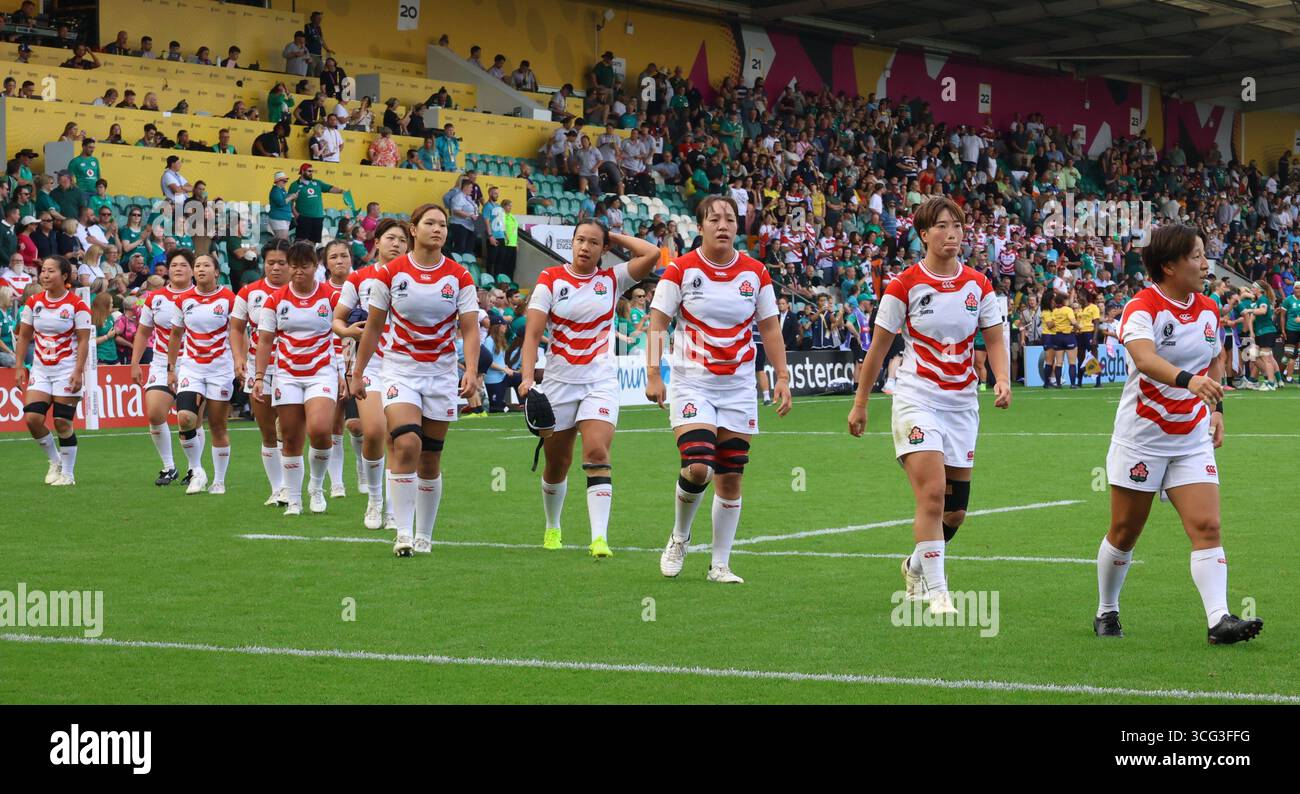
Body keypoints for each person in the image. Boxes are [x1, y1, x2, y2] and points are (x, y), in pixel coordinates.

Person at [1095, 223, 1261, 645]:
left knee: (1208, 525)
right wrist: (1189, 381)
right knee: (1125, 531)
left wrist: (1217, 408)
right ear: (1169, 265)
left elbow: (1215, 359)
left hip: (1191, 437)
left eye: (1205, 254)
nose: (1206, 264)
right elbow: (1145, 358)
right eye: (1197, 256)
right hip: (1142, 439)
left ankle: (1219, 619)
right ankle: (1107, 609)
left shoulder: (1208, 307)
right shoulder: (1142, 307)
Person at [846, 197, 1011, 615]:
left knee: (954, 514)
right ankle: (939, 594)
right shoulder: (903, 285)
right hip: (917, 398)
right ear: (924, 234)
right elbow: (879, 347)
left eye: (957, 224)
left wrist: (1002, 379)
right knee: (932, 495)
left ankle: (914, 564)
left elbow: (993, 336)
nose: (952, 232)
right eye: (941, 226)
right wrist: (861, 403)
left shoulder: (979, 284)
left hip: (962, 404)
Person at [645, 195, 794, 583]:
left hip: (739, 385)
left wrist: (781, 375)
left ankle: (720, 564)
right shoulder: (680, 270)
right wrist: (653, 373)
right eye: (715, 219)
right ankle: (679, 536)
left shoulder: (756, 273)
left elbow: (770, 327)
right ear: (700, 226)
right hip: (693, 381)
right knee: (698, 467)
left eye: (730, 218)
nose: (723, 225)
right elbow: (658, 322)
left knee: (730, 475)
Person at [519, 224, 661, 555]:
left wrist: (614, 236)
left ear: (603, 248)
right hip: (558, 383)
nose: (585, 247)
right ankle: (553, 527)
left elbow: (651, 254)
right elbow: (532, 334)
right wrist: (528, 378)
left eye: (594, 243)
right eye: (581, 240)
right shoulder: (550, 280)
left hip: (599, 382)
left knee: (597, 452)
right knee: (557, 463)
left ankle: (599, 539)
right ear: (573, 244)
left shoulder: (612, 280)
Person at [350, 204, 480, 557]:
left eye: (443, 224)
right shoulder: (391, 274)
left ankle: (425, 534)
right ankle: (403, 533)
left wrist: (470, 371)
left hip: (440, 375)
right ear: (413, 228)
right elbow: (374, 327)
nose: (438, 229)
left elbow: (469, 328)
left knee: (430, 459)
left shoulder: (460, 277)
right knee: (407, 443)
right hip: (400, 372)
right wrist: (357, 372)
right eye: (430, 223)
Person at [252, 241, 343, 516]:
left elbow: (340, 335)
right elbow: (265, 340)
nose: (298, 271)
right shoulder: (275, 299)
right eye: (294, 266)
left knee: (319, 430)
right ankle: (293, 499)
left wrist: (344, 372)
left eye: (305, 266)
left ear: (316, 267)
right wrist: (259, 377)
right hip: (287, 375)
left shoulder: (331, 296)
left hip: (321, 372)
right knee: (290, 436)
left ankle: (316, 486)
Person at [333, 218, 411, 530]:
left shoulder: (414, 277)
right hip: (371, 366)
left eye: (402, 240)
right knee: (375, 431)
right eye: (390, 238)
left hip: (406, 366)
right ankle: (375, 500)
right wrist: (348, 330)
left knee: (398, 440)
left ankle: (391, 508)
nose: (397, 244)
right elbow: (337, 320)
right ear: (376, 242)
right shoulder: (359, 278)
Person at [13, 256, 92, 486]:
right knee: (32, 419)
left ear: (64, 276)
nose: (45, 275)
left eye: (51, 271)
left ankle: (68, 474)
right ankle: (55, 460)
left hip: (67, 370)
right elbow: (24, 336)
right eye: (43, 271)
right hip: (40, 369)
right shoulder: (33, 302)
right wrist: (19, 366)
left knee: (62, 422)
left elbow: (84, 341)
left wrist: (79, 372)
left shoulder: (77, 306)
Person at [166, 254, 236, 495]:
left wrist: (240, 362)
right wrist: (171, 368)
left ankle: (219, 480)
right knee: (184, 418)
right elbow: (175, 335)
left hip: (220, 369)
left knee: (217, 425)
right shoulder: (184, 299)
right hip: (191, 367)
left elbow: (238, 332)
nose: (201, 269)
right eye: (198, 266)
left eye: (207, 265)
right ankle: (197, 470)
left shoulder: (229, 298)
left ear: (217, 272)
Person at [230, 240, 292, 506]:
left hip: (294, 368)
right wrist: (239, 358)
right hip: (260, 368)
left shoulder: (303, 292)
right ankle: (277, 489)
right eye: (271, 263)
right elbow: (236, 328)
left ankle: (294, 488)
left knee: (289, 430)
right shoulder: (249, 292)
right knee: (267, 430)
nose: (276, 268)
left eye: (282, 263)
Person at [131, 248, 197, 486]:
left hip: (194, 361)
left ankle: (194, 469)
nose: (178, 269)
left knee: (189, 419)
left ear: (192, 270)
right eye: (174, 265)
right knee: (155, 413)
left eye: (183, 265)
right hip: (160, 360)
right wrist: (135, 362)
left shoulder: (200, 296)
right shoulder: (155, 297)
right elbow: (143, 331)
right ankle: (169, 466)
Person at [319, 239, 353, 499]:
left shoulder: (365, 286)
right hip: (329, 363)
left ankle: (365, 475)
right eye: (334, 257)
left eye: (344, 255)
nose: (340, 261)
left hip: (359, 361)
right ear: (326, 263)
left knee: (359, 425)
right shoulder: (319, 292)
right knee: (334, 425)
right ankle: (337, 483)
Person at [287, 163, 343, 244]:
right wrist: (297, 215)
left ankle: (311, 256)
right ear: (302, 171)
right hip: (304, 218)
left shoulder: (317, 183)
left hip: (318, 218)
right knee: (302, 243)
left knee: (314, 243)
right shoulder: (294, 185)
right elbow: (289, 202)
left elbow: (329, 188)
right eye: (309, 171)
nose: (311, 173)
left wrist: (342, 191)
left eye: (312, 171)